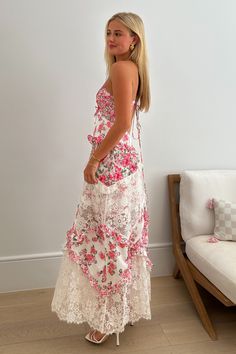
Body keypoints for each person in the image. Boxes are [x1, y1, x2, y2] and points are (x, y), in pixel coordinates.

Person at [51, 11, 153, 346]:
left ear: (133, 39)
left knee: (108, 242)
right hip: (126, 168)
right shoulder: (129, 68)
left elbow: (122, 123)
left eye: (118, 34)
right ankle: (123, 309)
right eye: (108, 32)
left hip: (112, 170)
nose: (111, 39)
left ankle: (109, 320)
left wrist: (94, 159)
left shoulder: (122, 68)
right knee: (118, 240)